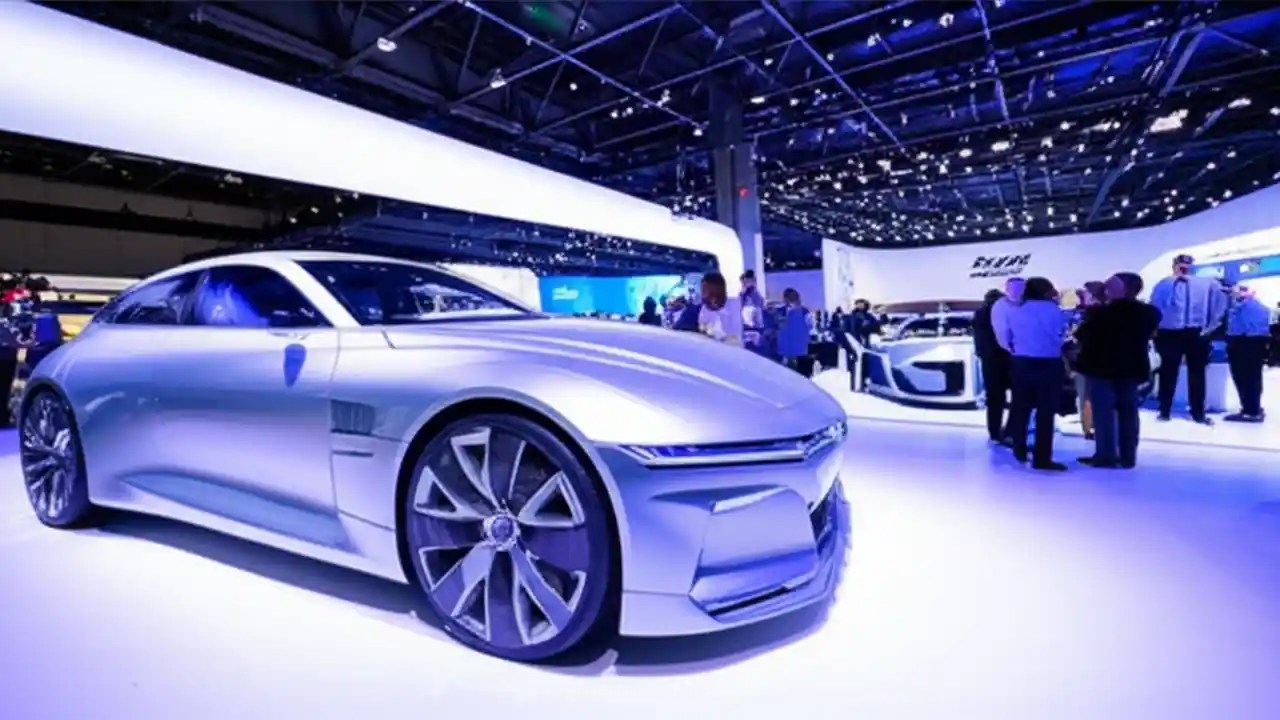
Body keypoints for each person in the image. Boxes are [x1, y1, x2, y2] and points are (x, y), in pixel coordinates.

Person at [1076, 273, 1162, 469]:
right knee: (1129, 412)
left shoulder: (1101, 314)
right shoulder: (1148, 313)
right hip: (1132, 368)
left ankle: (1106, 455)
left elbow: (1083, 335)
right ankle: (1128, 456)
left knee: (1104, 414)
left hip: (1102, 368)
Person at [1148, 254, 1228, 424]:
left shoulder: (1206, 284)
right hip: (1170, 332)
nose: (1183, 268)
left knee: (1197, 373)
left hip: (1196, 332)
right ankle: (1164, 410)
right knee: (1168, 372)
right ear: (1174, 266)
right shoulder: (1164, 284)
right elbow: (1154, 306)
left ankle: (1198, 412)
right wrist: (1156, 328)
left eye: (1187, 264)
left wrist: (1211, 326)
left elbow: (1220, 303)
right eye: (1180, 264)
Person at [1003, 277, 1069, 471]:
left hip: (1021, 362)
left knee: (1020, 408)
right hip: (1048, 363)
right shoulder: (1054, 310)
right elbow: (1061, 335)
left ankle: (1019, 448)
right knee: (1045, 412)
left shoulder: (1016, 310)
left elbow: (1009, 336)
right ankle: (1042, 457)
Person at [1224, 284, 1270, 422]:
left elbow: (1236, 325)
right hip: (1257, 343)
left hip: (1243, 343)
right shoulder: (1261, 307)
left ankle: (1250, 411)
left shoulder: (1242, 307)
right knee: (1254, 377)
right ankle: (1254, 407)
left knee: (1243, 377)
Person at [1067, 282, 1107, 440]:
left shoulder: (1088, 315)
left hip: (1087, 360)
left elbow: (1076, 336)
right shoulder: (1104, 312)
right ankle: (1095, 427)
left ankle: (1090, 428)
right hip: (1098, 361)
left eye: (1086, 292)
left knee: (1086, 396)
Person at [974, 289, 1012, 445]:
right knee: (1019, 397)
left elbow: (979, 340)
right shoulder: (1006, 312)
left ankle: (994, 432)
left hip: (989, 361)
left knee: (994, 399)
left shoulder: (979, 314)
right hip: (1007, 359)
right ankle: (1010, 431)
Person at [693, 271, 743, 345]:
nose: (702, 292)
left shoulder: (736, 305)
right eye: (702, 289)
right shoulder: (703, 311)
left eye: (706, 289)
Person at [778, 288, 814, 375]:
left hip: (787, 350)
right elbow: (810, 326)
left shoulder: (781, 311)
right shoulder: (805, 311)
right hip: (799, 349)